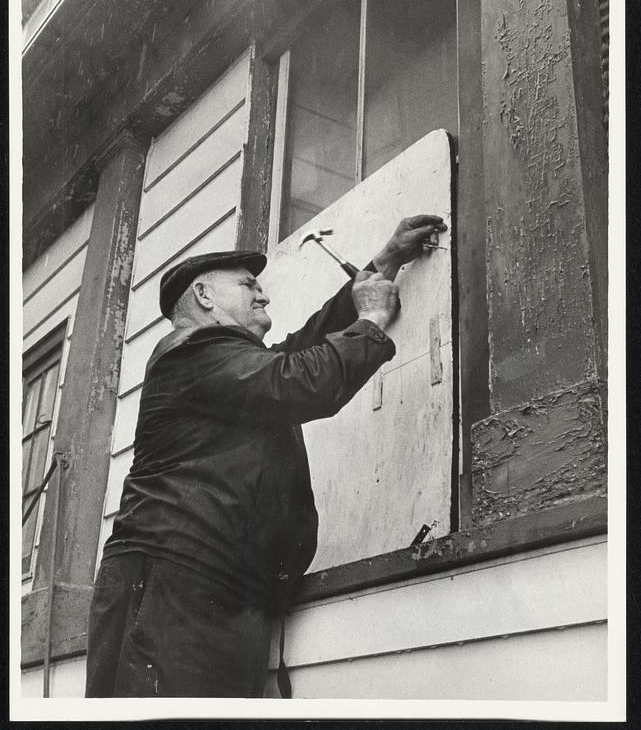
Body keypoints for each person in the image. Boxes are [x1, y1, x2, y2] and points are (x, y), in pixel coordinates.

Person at [85, 214, 447, 698]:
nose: (264, 295)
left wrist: (385, 262)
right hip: (170, 585)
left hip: (207, 588)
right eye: (248, 285)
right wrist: (372, 321)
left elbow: (299, 350)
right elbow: (298, 379)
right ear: (204, 297)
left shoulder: (220, 361)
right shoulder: (190, 354)